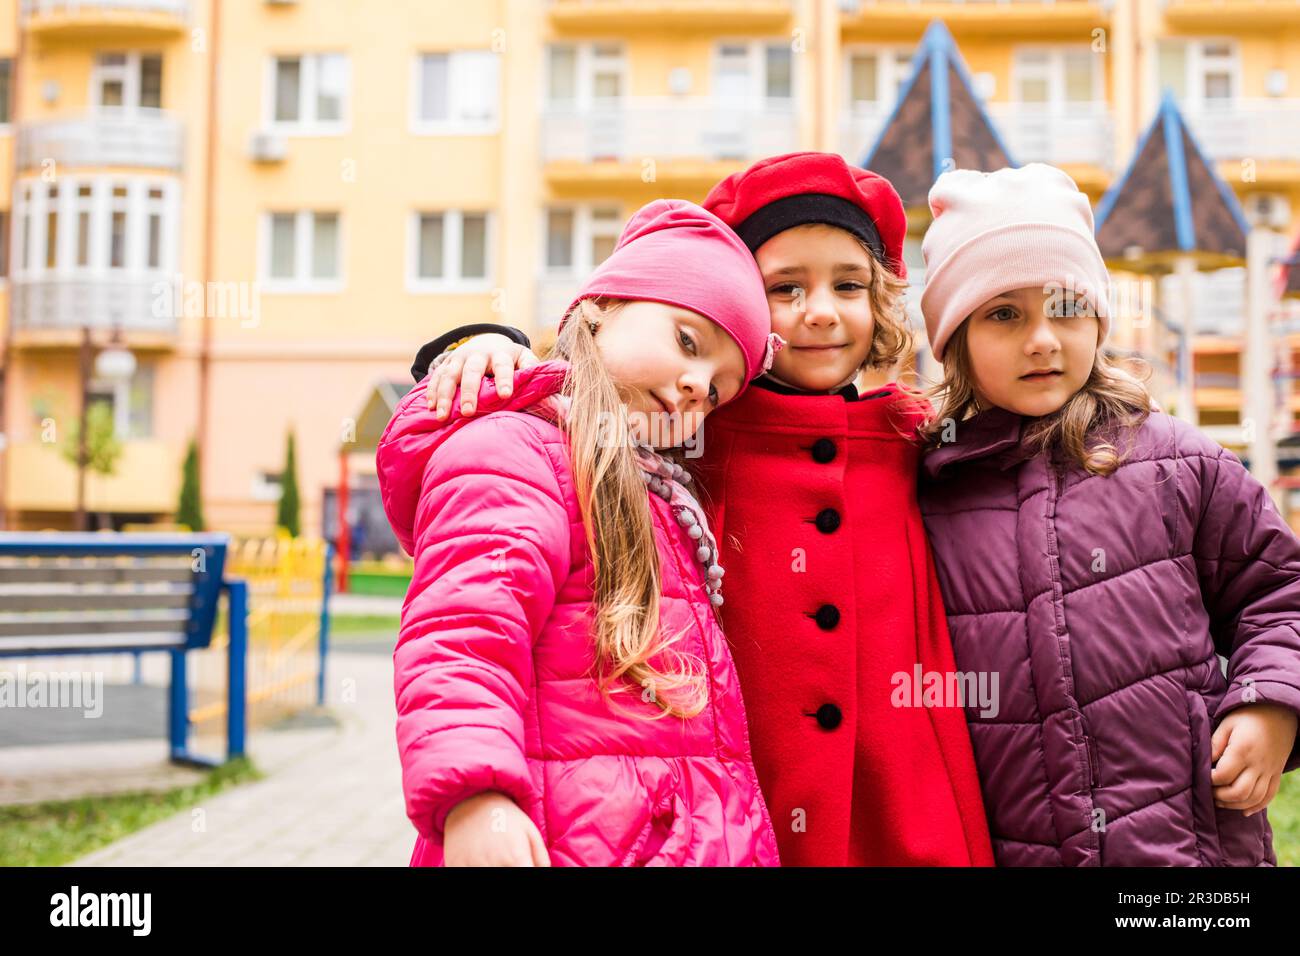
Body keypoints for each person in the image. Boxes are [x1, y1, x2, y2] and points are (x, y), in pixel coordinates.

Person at [413, 153, 995, 867]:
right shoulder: (688, 432)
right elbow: (476, 602)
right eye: (786, 287)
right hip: (727, 813)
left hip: (899, 810)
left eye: (848, 284)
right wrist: (481, 347)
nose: (820, 310)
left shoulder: (917, 438)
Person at [377, 199, 782, 866]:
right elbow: (464, 638)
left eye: (716, 391)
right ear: (601, 308)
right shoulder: (516, 452)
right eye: (688, 342)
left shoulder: (661, 497)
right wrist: (476, 797)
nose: (694, 385)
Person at [915, 163, 1300, 865]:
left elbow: (1279, 593)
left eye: (1065, 306)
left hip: (1185, 850)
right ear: (955, 339)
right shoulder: (929, 491)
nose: (1042, 338)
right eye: (1004, 313)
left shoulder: (1177, 464)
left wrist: (1270, 702)